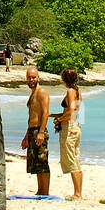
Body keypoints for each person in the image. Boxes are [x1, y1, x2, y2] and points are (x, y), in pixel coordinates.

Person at [53, 68, 84, 198]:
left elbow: (70, 113)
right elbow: (75, 112)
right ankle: (78, 192)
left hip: (69, 128)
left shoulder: (70, 91)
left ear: (64, 79)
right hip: (76, 126)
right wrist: (54, 115)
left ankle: (77, 194)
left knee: (71, 160)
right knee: (76, 159)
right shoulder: (78, 92)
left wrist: (59, 120)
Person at [21, 66, 50, 196]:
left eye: (33, 77)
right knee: (37, 164)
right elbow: (31, 116)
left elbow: (45, 113)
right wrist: (26, 136)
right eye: (29, 78)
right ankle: (40, 190)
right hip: (32, 131)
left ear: (38, 78)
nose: (31, 80)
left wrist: (41, 132)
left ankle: (45, 191)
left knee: (43, 161)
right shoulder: (32, 93)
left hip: (39, 130)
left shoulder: (42, 92)